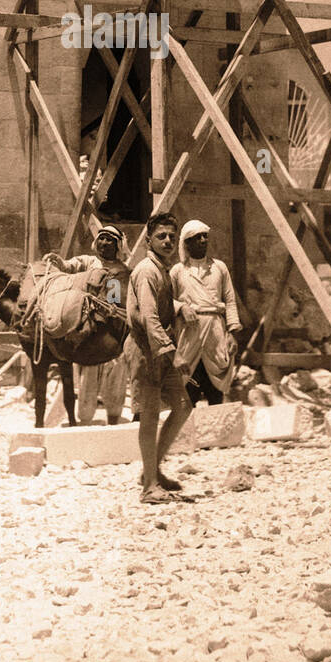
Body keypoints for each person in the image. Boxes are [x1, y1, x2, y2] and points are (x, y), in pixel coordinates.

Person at [124, 211, 193, 504]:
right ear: (149, 240)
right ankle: (150, 487)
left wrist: (178, 307)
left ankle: (152, 470)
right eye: (161, 236)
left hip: (161, 349)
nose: (167, 241)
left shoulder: (162, 270)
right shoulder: (146, 271)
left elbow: (157, 303)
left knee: (183, 406)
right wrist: (169, 351)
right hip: (146, 351)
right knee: (150, 416)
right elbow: (149, 316)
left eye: (171, 237)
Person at [47, 226, 129, 425]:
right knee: (88, 379)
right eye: (101, 238)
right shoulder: (90, 262)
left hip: (114, 329)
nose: (104, 243)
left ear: (118, 246)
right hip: (88, 327)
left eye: (110, 240)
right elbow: (70, 267)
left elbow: (116, 300)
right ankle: (85, 421)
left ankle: (113, 420)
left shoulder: (122, 271)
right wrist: (59, 261)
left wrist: (112, 307)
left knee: (116, 378)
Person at [171, 219, 240, 407]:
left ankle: (215, 432)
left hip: (215, 331)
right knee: (189, 385)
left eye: (205, 236)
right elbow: (166, 300)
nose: (202, 240)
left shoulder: (219, 267)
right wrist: (182, 307)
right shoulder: (178, 271)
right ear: (186, 243)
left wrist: (232, 333)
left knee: (216, 390)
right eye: (196, 237)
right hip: (189, 333)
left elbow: (230, 300)